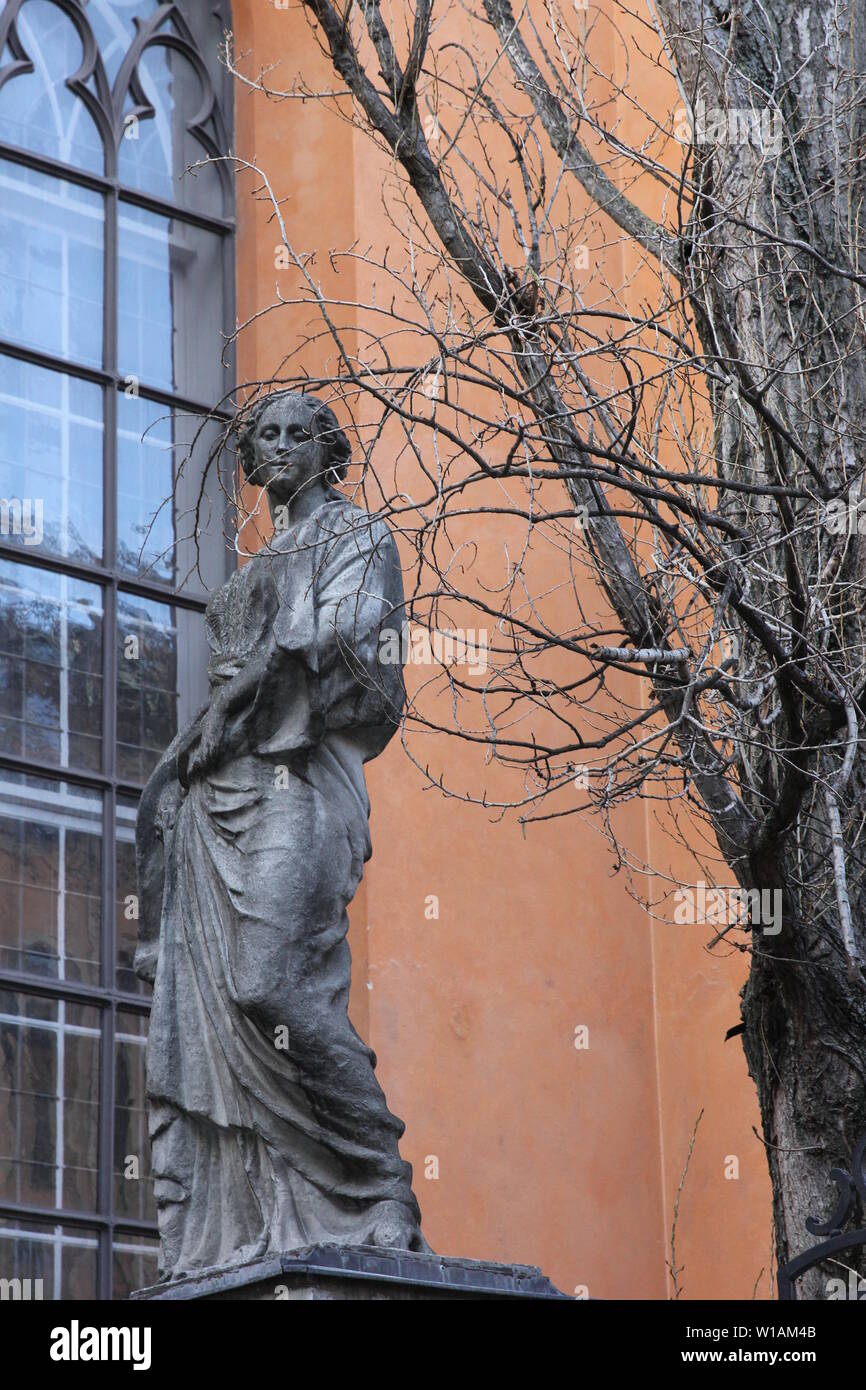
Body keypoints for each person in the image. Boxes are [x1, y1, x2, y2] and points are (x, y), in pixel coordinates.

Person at [135, 390, 427, 1278]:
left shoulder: (358, 537)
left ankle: (380, 1181)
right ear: (253, 460)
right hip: (215, 793)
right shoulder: (258, 564)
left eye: (306, 433)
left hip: (299, 775)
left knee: (268, 985)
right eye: (270, 435)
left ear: (327, 450)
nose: (288, 447)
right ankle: (251, 1216)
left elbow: (348, 639)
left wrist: (251, 680)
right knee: (218, 1003)